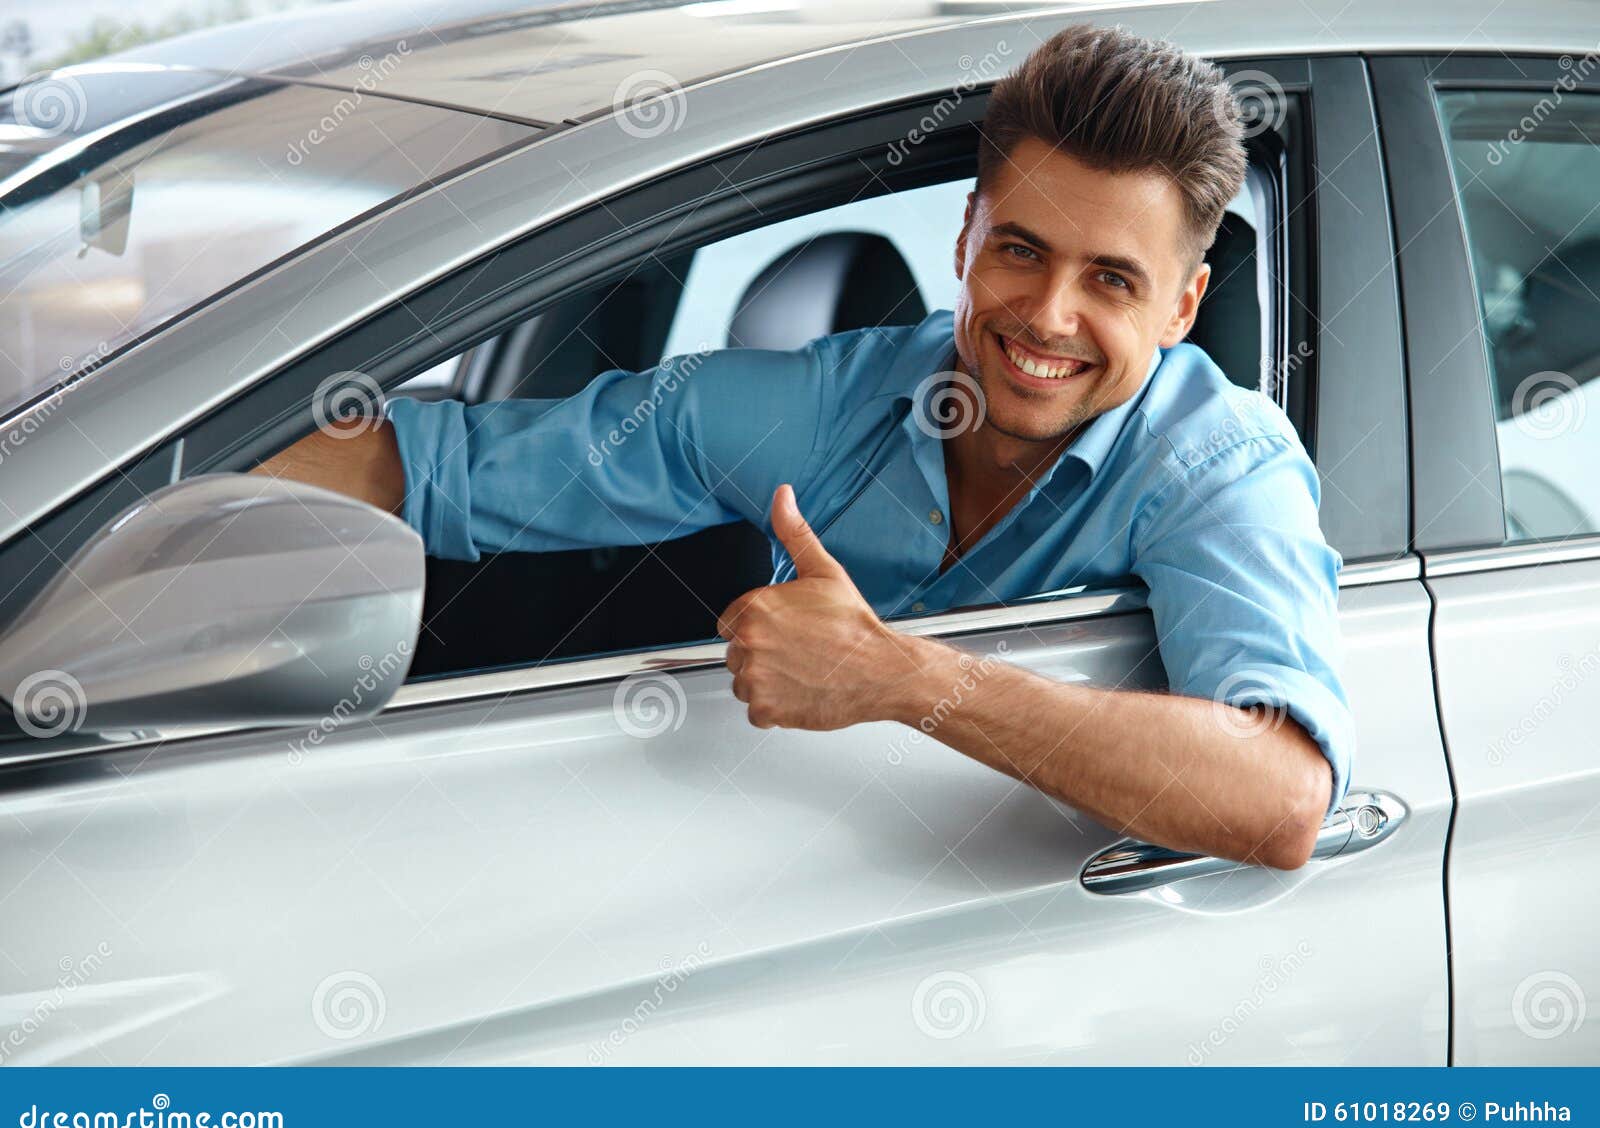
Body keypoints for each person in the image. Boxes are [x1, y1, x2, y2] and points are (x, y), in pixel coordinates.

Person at [258, 24, 1352, 870]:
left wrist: (896, 675)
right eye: (1020, 249)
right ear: (967, 233)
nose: (1047, 316)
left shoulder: (1219, 465)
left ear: (1182, 305)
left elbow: (1280, 796)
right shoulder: (835, 400)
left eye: (1112, 279)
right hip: (803, 885)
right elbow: (431, 465)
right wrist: (104, 518)